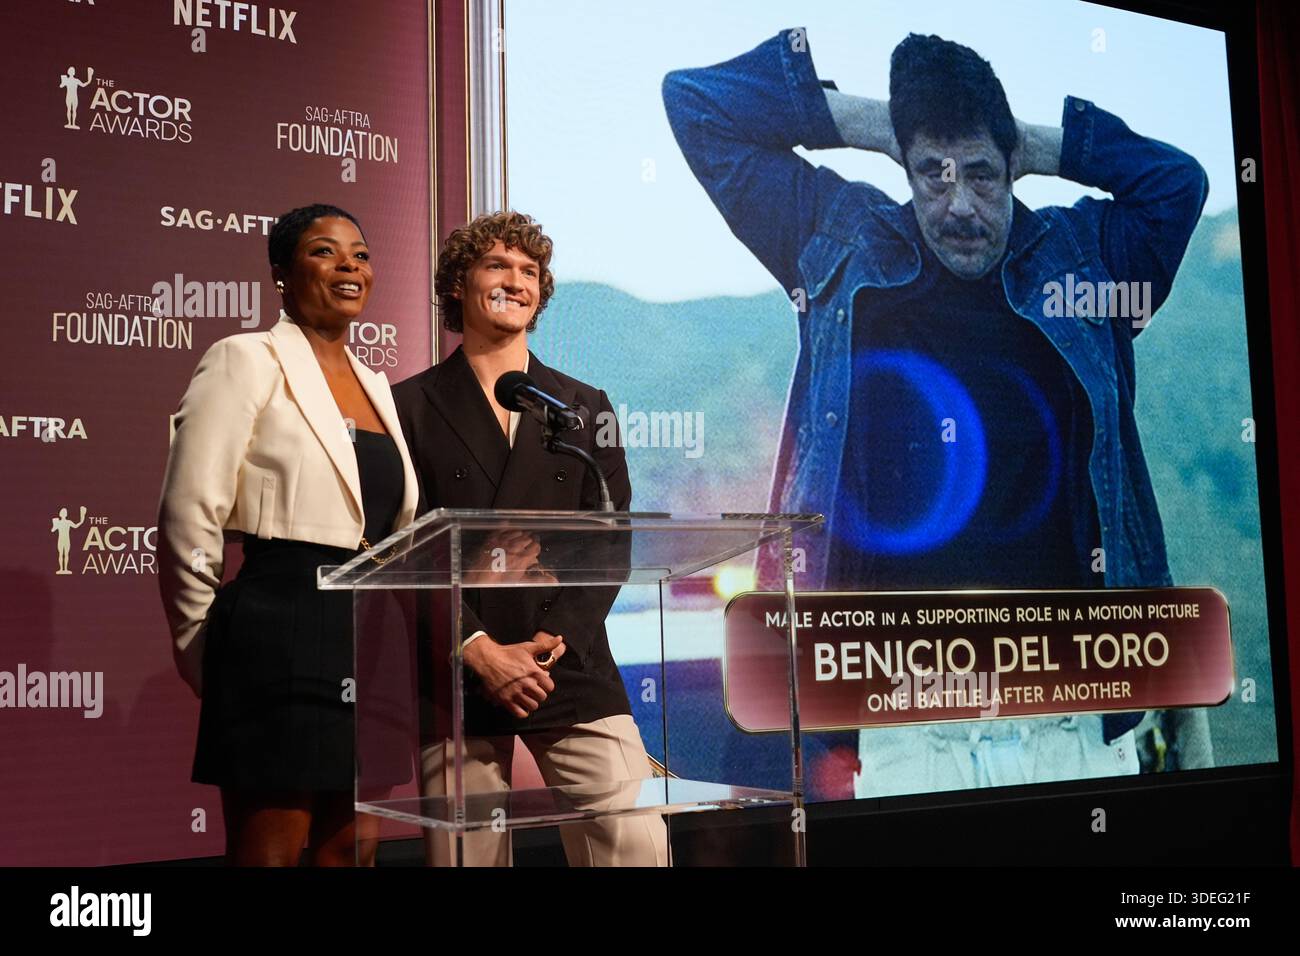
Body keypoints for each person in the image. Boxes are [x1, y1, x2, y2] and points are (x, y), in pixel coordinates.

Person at [663, 29, 1212, 796]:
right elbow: (694, 103)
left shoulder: (1088, 258)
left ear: (1012, 166)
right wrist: (874, 125)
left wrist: (1031, 143)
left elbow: (1177, 183)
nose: (960, 206)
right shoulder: (840, 236)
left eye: (984, 176)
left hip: (1074, 701)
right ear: (904, 166)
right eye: (933, 174)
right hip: (903, 712)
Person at [392, 211, 668, 866]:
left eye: (530, 271)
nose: (517, 280)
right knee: (468, 859)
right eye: (497, 265)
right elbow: (401, 550)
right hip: (460, 671)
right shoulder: (407, 407)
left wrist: (549, 643)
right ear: (457, 285)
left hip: (565, 663)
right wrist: (479, 647)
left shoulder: (582, 405)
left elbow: (609, 540)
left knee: (634, 846)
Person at [157, 203, 419, 865]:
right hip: (280, 622)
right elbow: (191, 511)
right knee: (269, 847)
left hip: (371, 637)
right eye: (324, 252)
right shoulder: (245, 358)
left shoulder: (379, 385)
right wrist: (202, 648)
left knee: (352, 848)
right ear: (281, 273)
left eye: (359, 254)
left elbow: (397, 527)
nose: (349, 266)